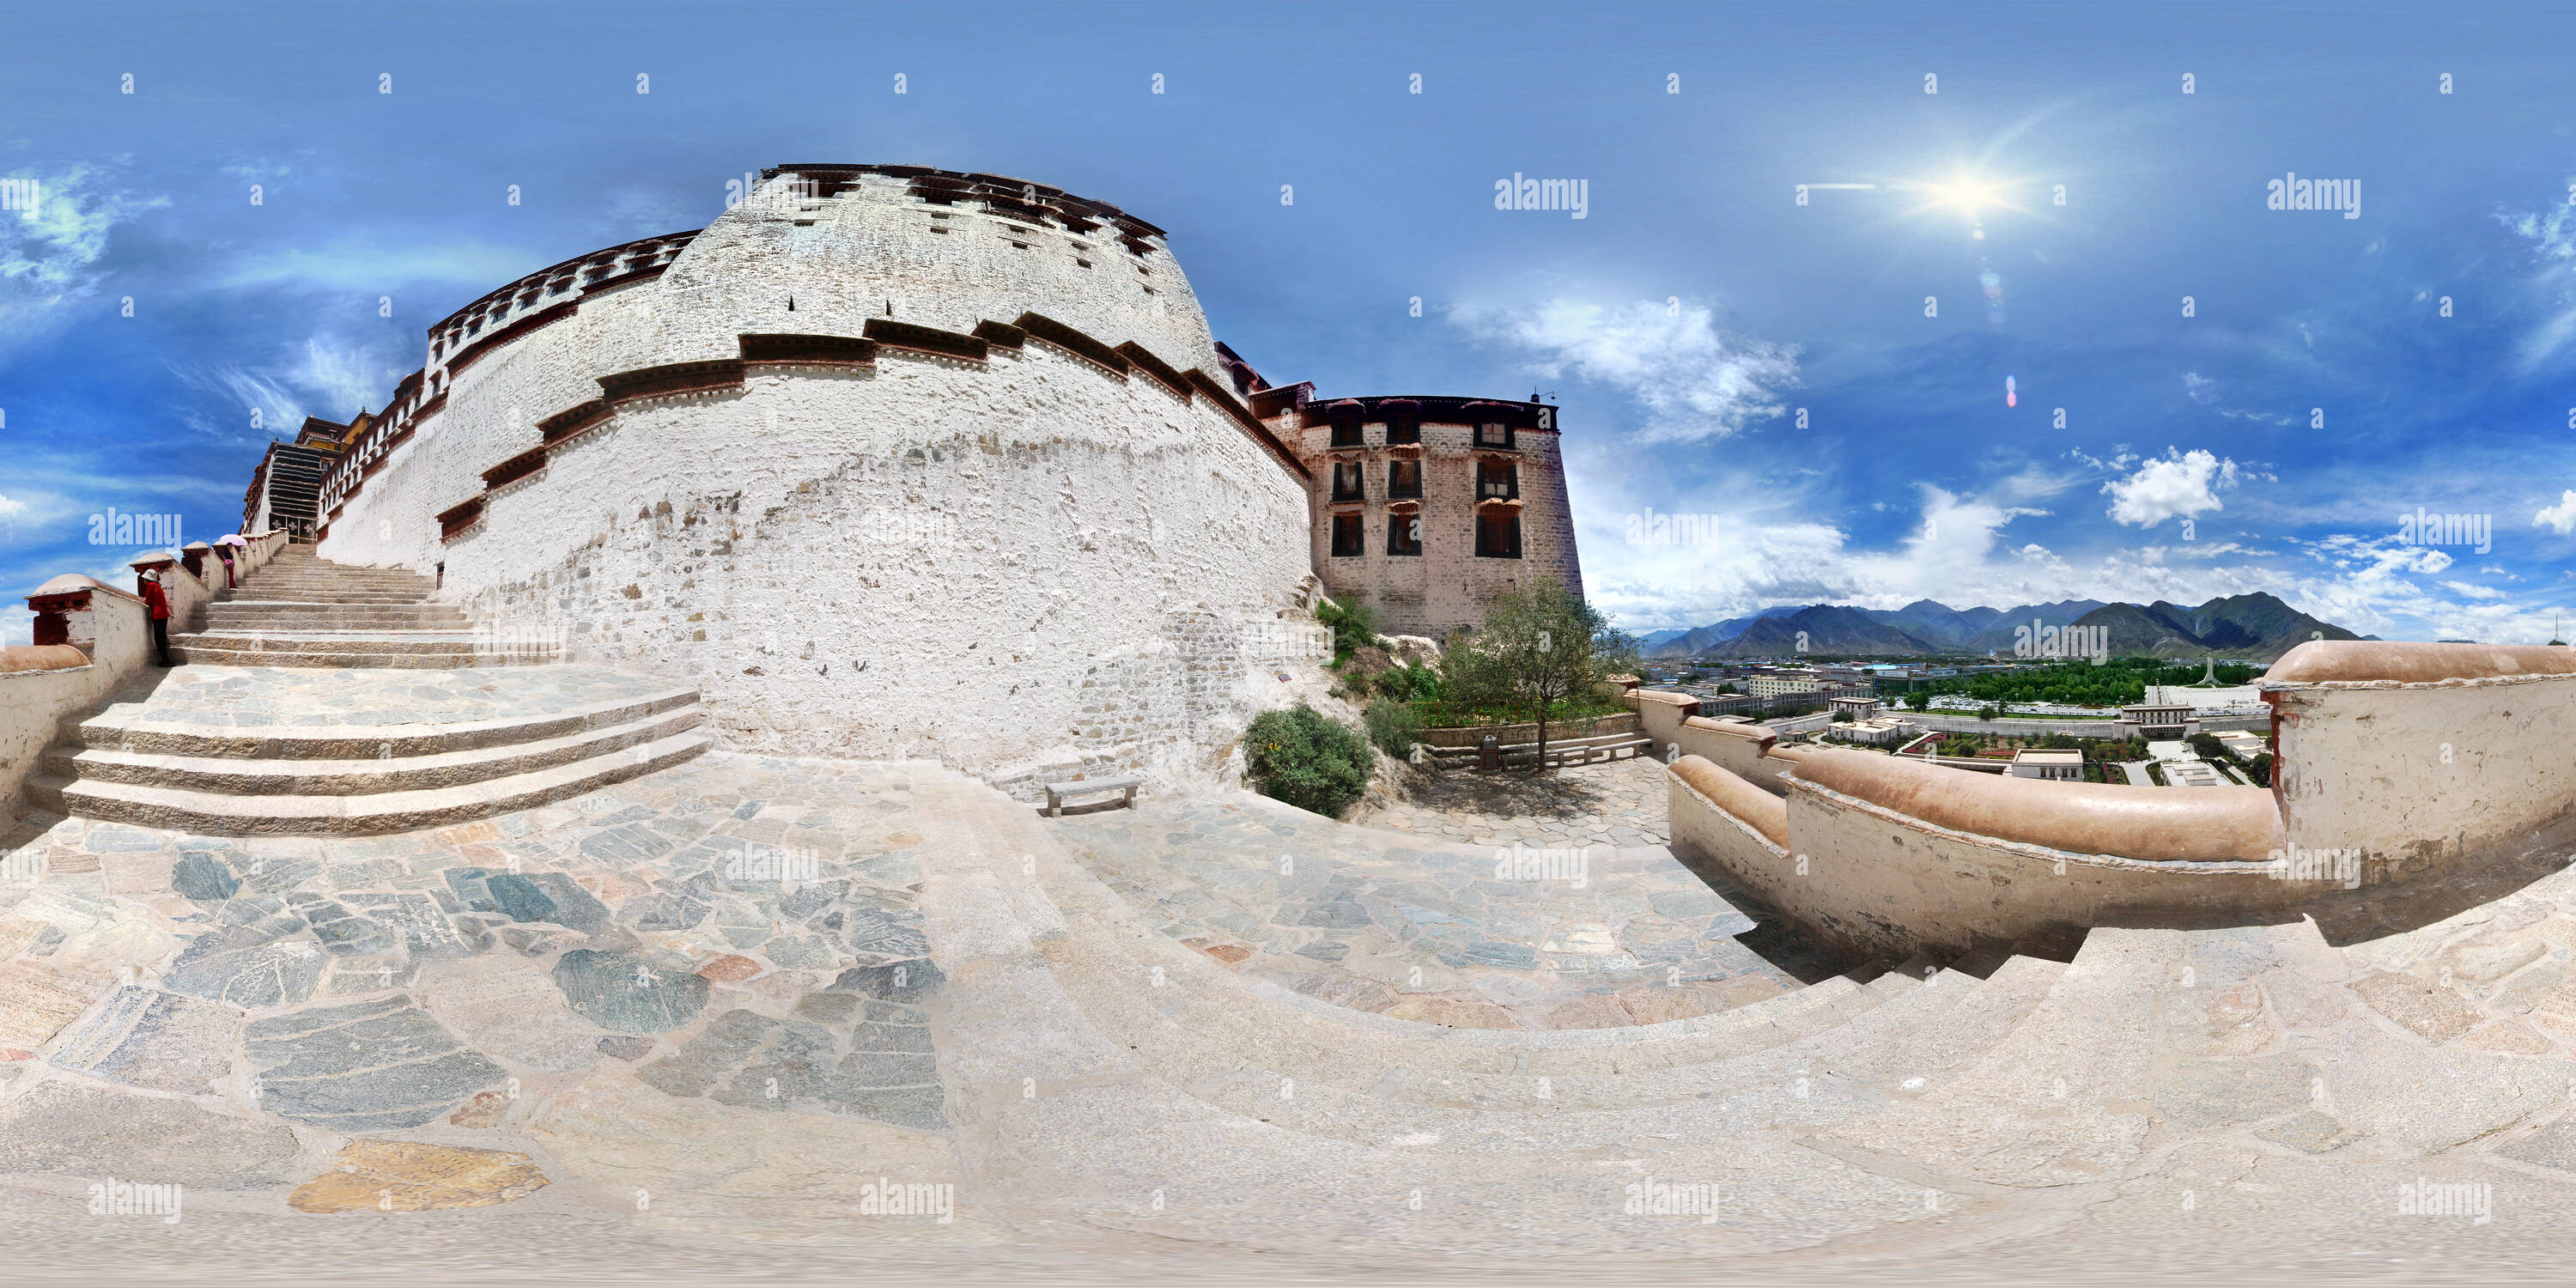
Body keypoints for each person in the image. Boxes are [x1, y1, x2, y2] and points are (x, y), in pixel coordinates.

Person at [139, 568, 172, 665]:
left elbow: (148, 601)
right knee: (162, 637)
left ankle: (165, 660)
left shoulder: (151, 586)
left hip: (158, 616)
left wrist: (145, 599)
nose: (143, 580)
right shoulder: (157, 585)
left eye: (144, 579)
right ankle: (165, 659)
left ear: (147, 579)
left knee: (158, 639)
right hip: (163, 615)